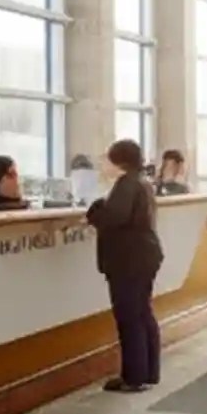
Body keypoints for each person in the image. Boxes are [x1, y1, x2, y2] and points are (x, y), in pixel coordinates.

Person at [86, 139, 163, 393]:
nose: (103, 164)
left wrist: (94, 212)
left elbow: (113, 218)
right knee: (142, 313)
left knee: (129, 316)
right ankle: (148, 372)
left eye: (106, 159)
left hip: (129, 259)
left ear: (118, 161)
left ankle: (134, 376)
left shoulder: (126, 184)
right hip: (143, 255)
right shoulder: (140, 182)